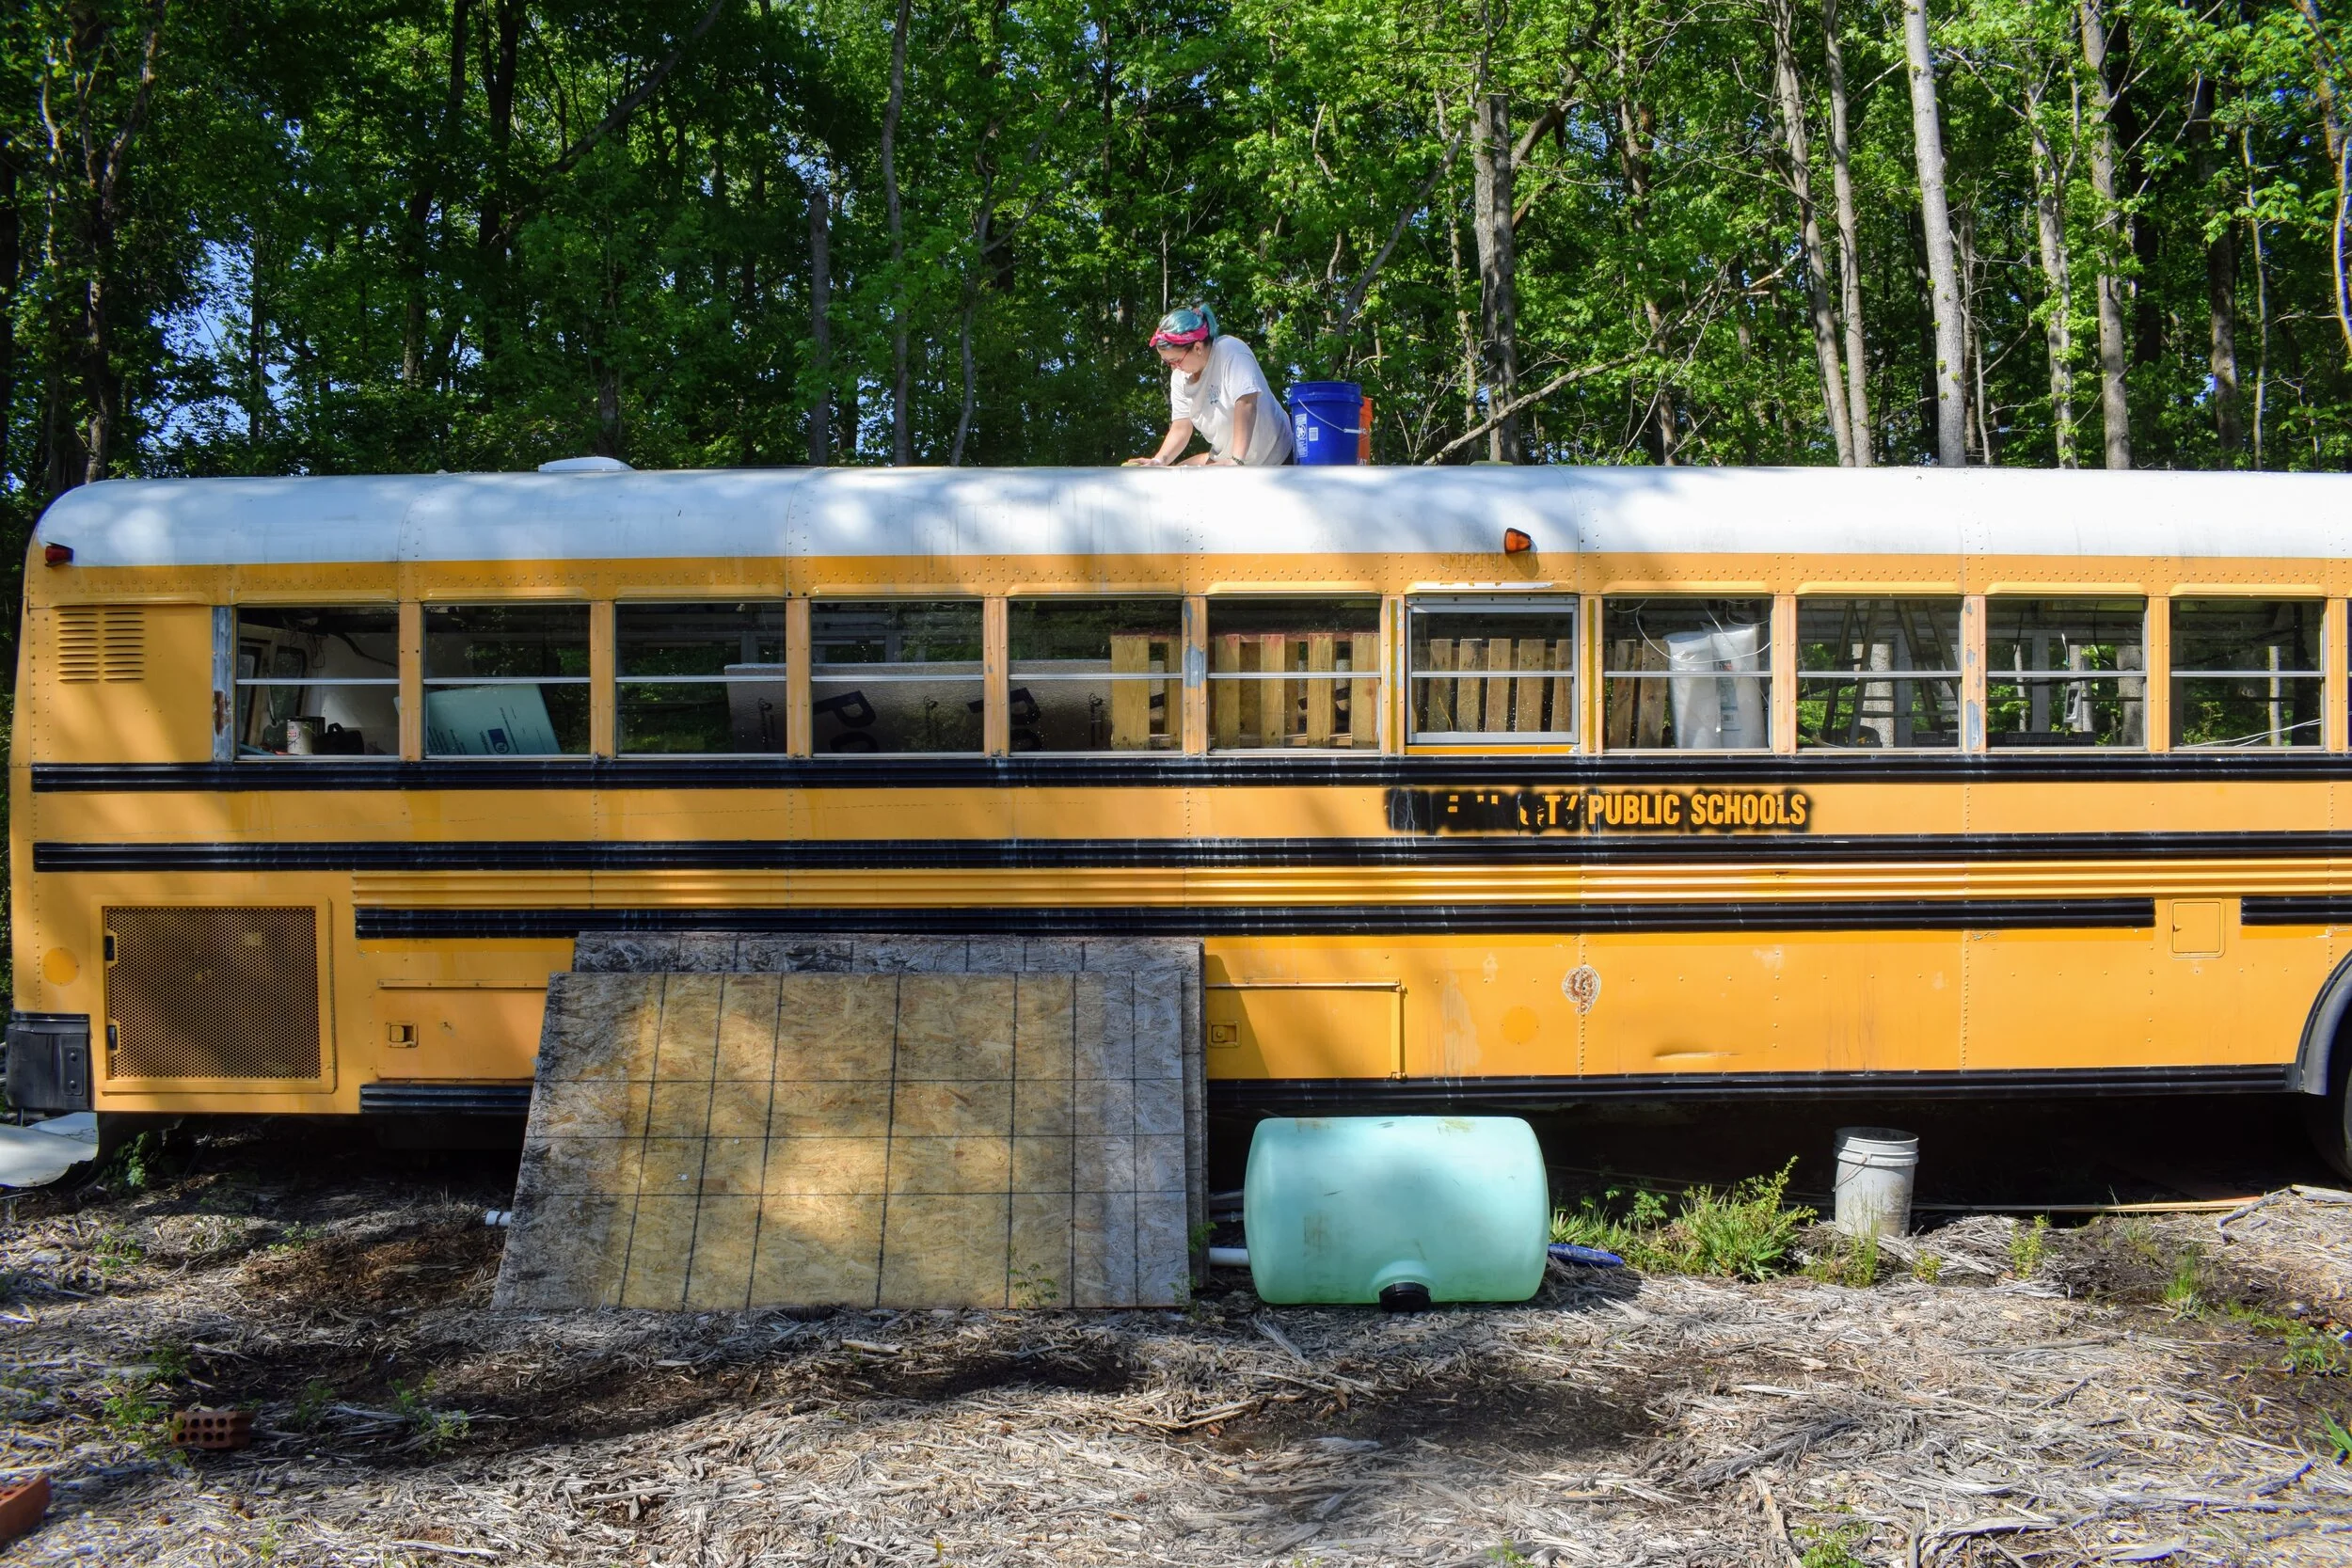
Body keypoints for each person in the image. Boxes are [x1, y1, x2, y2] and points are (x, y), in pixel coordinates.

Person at [1127, 306, 1295, 467]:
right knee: (1178, 471)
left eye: (1176, 361)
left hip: (1275, 459)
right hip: (1226, 458)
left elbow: (1246, 404)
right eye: (1167, 363)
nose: (1173, 367)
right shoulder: (1179, 377)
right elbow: (1181, 427)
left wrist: (1236, 461)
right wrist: (1158, 461)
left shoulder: (1231, 352)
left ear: (1198, 347)